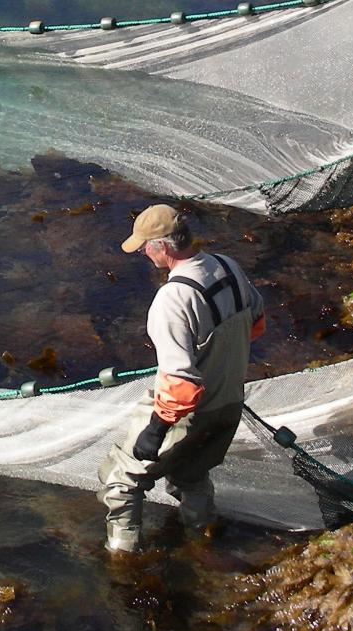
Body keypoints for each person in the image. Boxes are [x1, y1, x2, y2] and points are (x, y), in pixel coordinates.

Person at [97, 204, 265, 554]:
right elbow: (257, 324)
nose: (142, 252)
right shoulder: (228, 266)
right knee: (191, 474)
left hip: (187, 414)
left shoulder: (171, 300)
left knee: (120, 482)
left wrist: (155, 431)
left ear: (164, 247)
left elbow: (181, 386)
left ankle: (123, 562)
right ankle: (203, 542)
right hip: (228, 406)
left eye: (145, 246)